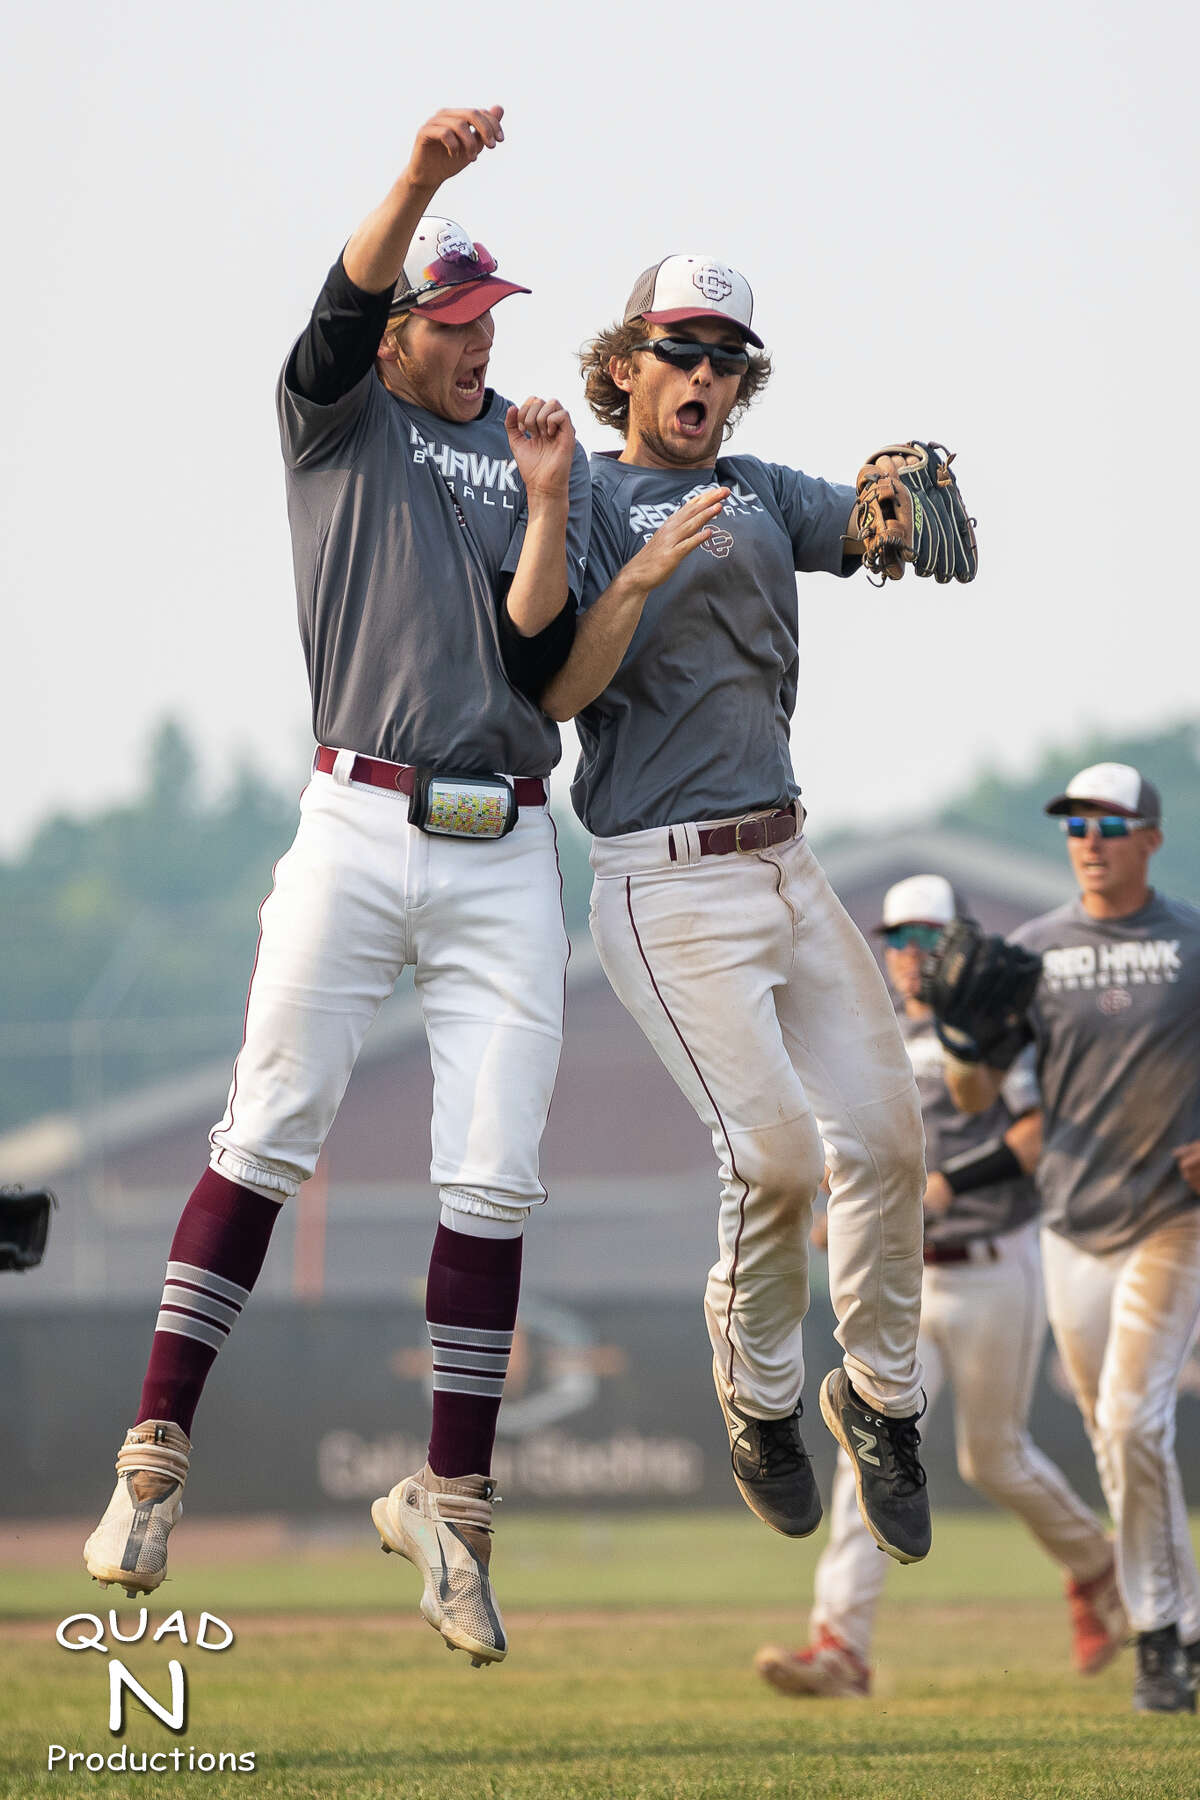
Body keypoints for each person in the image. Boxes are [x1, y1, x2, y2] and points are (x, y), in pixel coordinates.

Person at [84, 104, 590, 1672]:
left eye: (488, 317)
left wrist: (555, 504)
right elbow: (334, 305)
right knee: (270, 1126)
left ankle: (454, 1507)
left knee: (494, 1179)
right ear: (394, 334)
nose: (477, 341)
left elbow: (539, 661)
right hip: (360, 819)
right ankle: (154, 1457)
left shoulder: (523, 450)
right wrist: (420, 178)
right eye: (451, 319)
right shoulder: (337, 419)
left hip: (509, 837)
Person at [541, 256, 935, 1566]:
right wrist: (640, 572)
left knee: (886, 1140)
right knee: (774, 1160)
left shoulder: (758, 488)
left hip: (786, 861)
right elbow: (556, 691)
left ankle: (879, 1400)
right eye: (680, 348)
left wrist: (899, 501)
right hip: (664, 880)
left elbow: (866, 527)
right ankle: (762, 1402)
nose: (705, 372)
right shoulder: (589, 499)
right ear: (624, 367)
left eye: (727, 355)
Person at [755, 874, 1126, 1699]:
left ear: (960, 940)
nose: (911, 954)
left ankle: (1097, 1567)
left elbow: (1035, 1135)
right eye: (898, 938)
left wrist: (949, 1184)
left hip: (994, 1261)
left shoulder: (993, 1028)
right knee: (869, 1450)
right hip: (906, 1278)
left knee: (994, 1459)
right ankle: (841, 1647)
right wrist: (837, 1201)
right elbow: (848, 1149)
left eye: (927, 936)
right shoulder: (871, 1033)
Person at [937, 763, 1200, 1713]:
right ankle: (1184, 1623)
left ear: (1151, 838)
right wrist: (967, 1039)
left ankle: (1157, 1638)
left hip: (1171, 1217)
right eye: (1076, 824)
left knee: (1133, 1422)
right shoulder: (1035, 951)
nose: (1089, 839)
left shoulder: (1191, 941)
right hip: (1072, 1225)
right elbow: (975, 1097)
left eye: (1110, 824)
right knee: (1114, 1436)